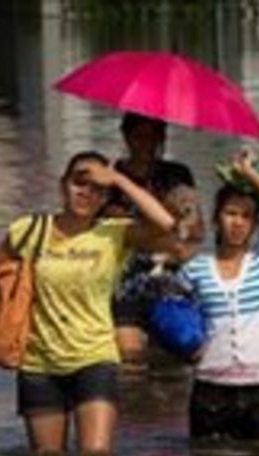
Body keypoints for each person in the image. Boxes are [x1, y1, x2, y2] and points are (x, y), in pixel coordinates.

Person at [0, 151, 180, 456]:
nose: (87, 193)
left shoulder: (113, 233)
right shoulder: (30, 230)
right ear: (63, 185)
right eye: (80, 183)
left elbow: (166, 223)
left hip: (94, 359)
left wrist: (119, 179)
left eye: (98, 189)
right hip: (40, 363)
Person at [180, 148, 259, 440]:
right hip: (211, 390)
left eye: (246, 216)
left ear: (255, 224)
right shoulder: (195, 269)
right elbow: (173, 316)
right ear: (216, 219)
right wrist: (183, 348)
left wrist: (250, 174)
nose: (237, 223)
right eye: (230, 213)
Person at [104, 113, 205, 367]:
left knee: (178, 356)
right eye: (139, 136)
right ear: (126, 136)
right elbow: (121, 234)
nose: (146, 144)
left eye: (154, 136)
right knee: (130, 358)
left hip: (171, 277)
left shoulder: (177, 174)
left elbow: (193, 234)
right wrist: (167, 222)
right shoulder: (113, 179)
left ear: (163, 137)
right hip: (125, 281)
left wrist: (153, 231)